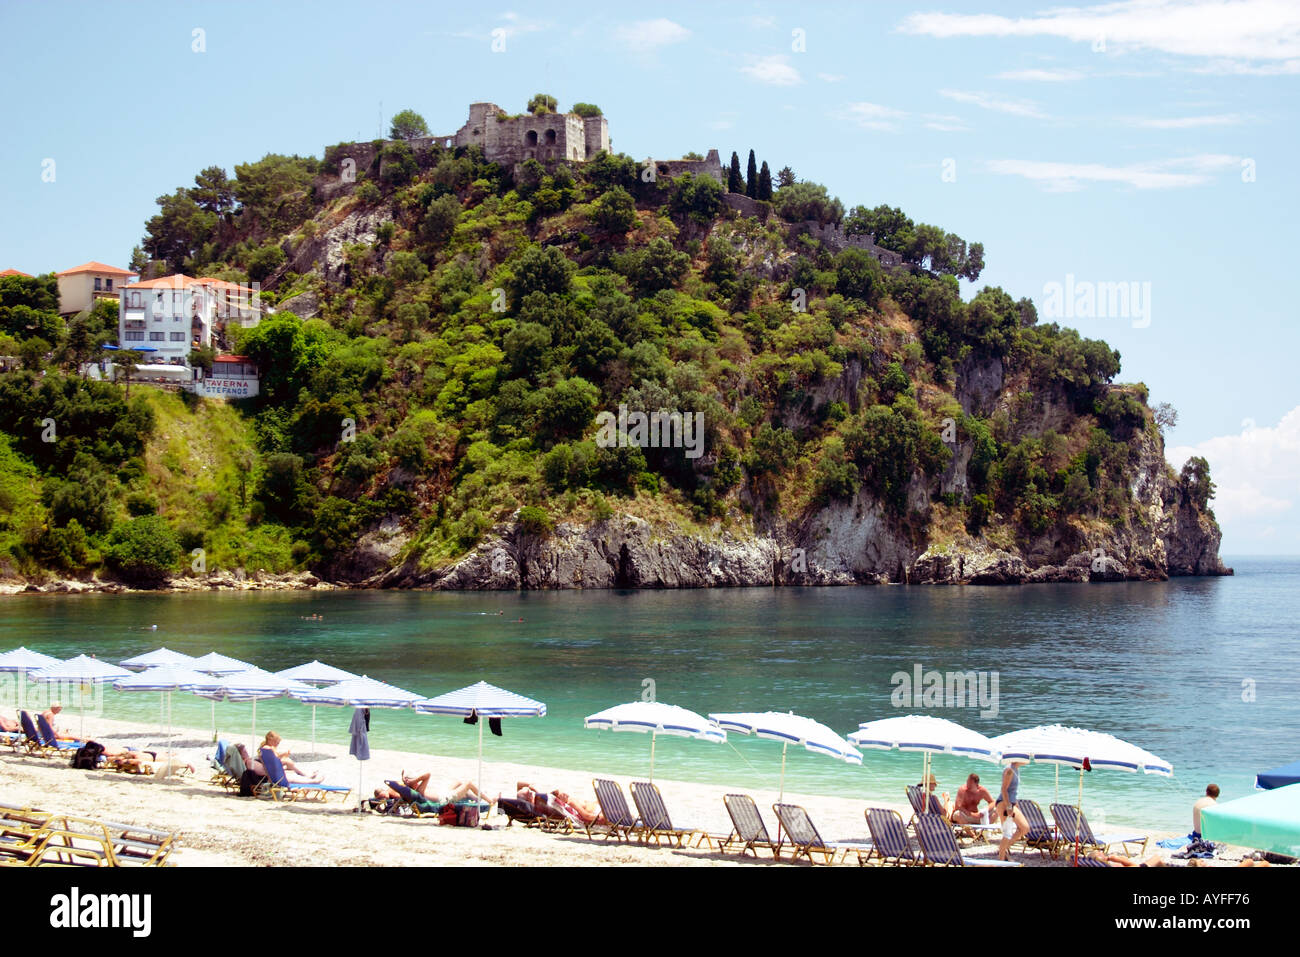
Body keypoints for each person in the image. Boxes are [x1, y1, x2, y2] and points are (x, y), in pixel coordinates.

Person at [996, 760, 1030, 861]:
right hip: (1004, 803)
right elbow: (1004, 789)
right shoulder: (1010, 770)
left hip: (1009, 803)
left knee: (1022, 829)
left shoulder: (1015, 769)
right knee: (1015, 830)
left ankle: (1002, 850)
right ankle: (1001, 859)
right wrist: (1009, 807)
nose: (1027, 760)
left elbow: (1012, 791)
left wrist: (1015, 805)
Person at [400, 769, 487, 804]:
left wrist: (406, 780)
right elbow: (428, 774)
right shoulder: (419, 791)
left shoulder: (417, 790)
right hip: (445, 799)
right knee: (468, 784)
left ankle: (476, 797)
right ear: (413, 783)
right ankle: (489, 800)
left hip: (443, 793)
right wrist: (413, 781)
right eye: (416, 780)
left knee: (458, 783)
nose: (418, 781)